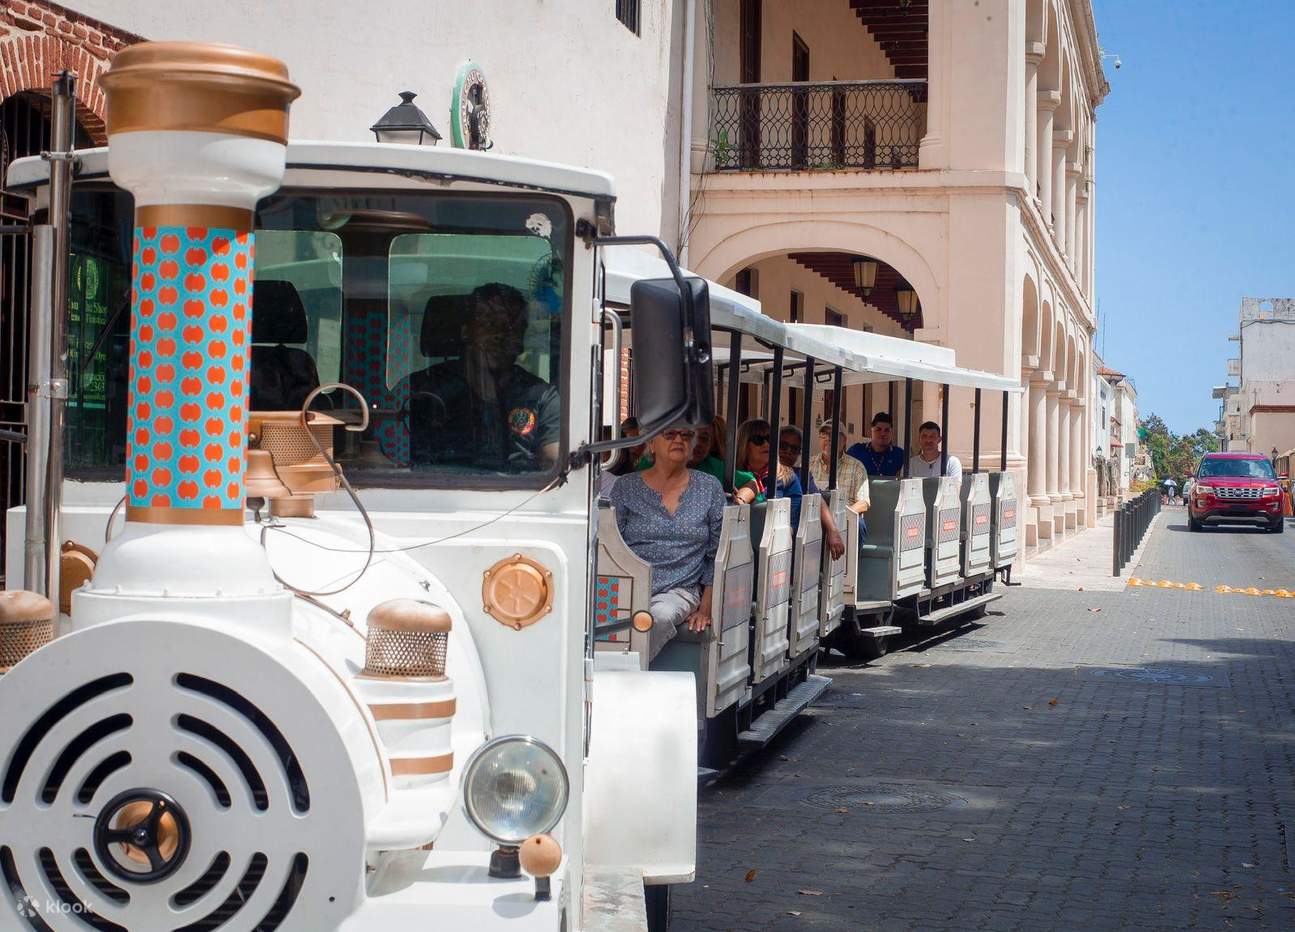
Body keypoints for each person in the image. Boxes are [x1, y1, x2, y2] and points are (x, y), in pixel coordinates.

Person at [407, 282, 559, 471]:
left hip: (521, 497)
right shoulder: (422, 390)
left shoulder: (540, 396)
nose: (499, 335)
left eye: (510, 328)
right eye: (489, 324)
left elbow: (554, 464)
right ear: (466, 331)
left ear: (521, 340)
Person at [607, 424, 725, 661]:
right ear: (651, 442)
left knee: (658, 616)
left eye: (686, 435)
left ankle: (620, 677)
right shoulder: (626, 487)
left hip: (679, 590)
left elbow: (717, 553)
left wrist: (705, 609)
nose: (679, 439)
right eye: (670, 434)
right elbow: (610, 543)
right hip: (627, 587)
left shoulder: (709, 487)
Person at [777, 425, 846, 559]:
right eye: (783, 446)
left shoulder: (801, 475)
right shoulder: (764, 471)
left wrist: (833, 531)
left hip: (794, 536)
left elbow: (818, 500)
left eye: (794, 448)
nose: (788, 451)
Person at [734, 418, 803, 526]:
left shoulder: (787, 477)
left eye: (769, 439)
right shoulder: (734, 476)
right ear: (744, 445)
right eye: (758, 440)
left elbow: (792, 523)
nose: (766, 444)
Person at [810, 420, 870, 517]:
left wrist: (841, 516)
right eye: (824, 434)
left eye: (833, 434)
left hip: (846, 519)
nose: (828, 438)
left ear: (844, 440)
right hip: (815, 518)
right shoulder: (809, 464)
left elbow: (863, 503)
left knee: (860, 526)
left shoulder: (857, 467)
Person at [847, 412, 906, 477]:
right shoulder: (856, 451)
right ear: (871, 431)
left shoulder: (899, 455)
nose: (883, 434)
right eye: (878, 430)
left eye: (887, 430)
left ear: (891, 433)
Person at [907, 420, 962, 487]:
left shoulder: (952, 462)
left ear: (939, 440)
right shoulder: (911, 464)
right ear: (919, 439)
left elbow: (955, 492)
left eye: (932, 436)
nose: (928, 440)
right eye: (924, 436)